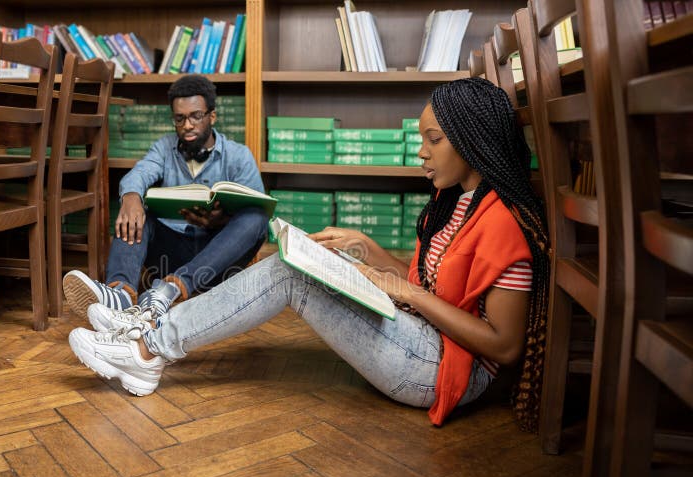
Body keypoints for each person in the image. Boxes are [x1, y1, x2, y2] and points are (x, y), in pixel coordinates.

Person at [68, 77, 550, 431]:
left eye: (434, 140)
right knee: (304, 261)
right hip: (428, 343)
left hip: (444, 371)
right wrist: (366, 248)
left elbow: (505, 347)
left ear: (472, 139)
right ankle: (141, 321)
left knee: (289, 271)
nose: (421, 153)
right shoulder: (459, 202)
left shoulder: (503, 221)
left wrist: (402, 290)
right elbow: (433, 284)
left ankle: (146, 345)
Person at [62, 74, 268, 326]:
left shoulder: (239, 155)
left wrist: (220, 221)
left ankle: (172, 289)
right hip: (171, 254)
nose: (187, 125)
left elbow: (258, 212)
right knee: (137, 212)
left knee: (256, 217)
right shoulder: (163, 147)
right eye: (179, 118)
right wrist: (130, 197)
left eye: (196, 116)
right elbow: (140, 172)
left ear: (211, 116)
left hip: (219, 260)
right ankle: (121, 295)